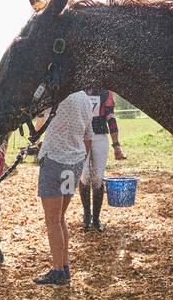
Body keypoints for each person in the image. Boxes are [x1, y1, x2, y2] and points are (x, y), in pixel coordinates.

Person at [33, 90, 92, 286]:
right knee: (60, 218)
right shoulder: (84, 98)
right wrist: (80, 159)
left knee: (52, 221)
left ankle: (58, 271)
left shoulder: (54, 95)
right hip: (74, 162)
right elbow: (88, 136)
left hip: (54, 161)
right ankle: (64, 266)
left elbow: (35, 116)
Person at [79, 89, 126, 232]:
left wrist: (116, 144)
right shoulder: (79, 89)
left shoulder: (106, 92)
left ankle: (96, 219)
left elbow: (111, 117)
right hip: (81, 137)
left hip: (100, 136)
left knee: (98, 177)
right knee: (85, 176)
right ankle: (87, 216)